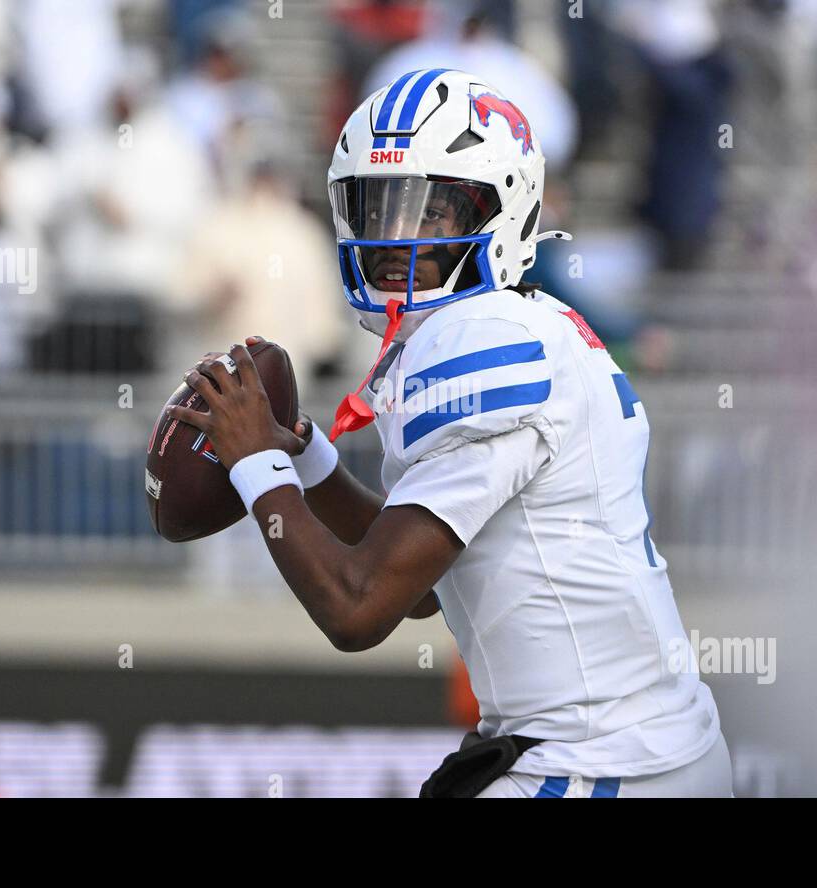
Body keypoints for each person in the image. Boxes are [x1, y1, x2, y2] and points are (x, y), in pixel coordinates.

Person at [166, 70, 729, 798]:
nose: (395, 237)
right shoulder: (515, 326)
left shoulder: (479, 340)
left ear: (504, 208)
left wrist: (255, 468)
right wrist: (302, 455)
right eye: (379, 207)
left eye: (430, 213)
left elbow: (357, 608)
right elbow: (419, 583)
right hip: (620, 750)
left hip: (599, 760)